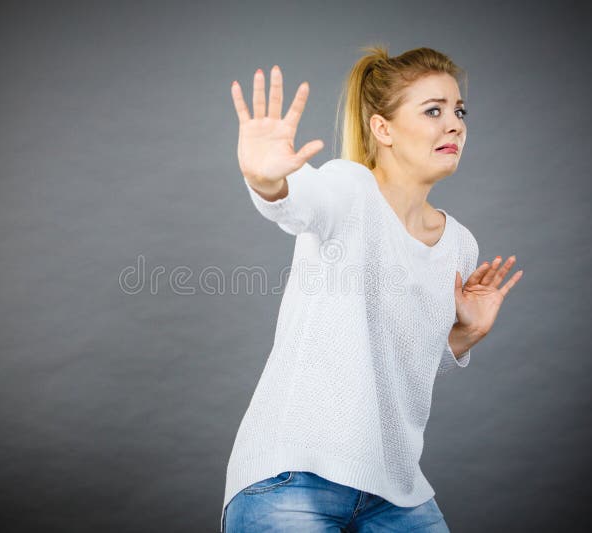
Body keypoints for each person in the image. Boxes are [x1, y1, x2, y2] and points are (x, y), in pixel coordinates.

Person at [221, 45, 523, 532]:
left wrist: (464, 336)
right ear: (382, 129)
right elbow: (299, 202)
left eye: (458, 110)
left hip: (393, 491)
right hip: (292, 476)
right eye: (433, 110)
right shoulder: (349, 188)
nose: (455, 125)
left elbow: (397, 364)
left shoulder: (459, 245)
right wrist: (267, 183)